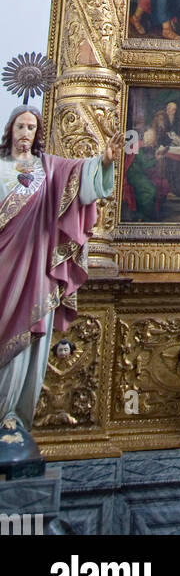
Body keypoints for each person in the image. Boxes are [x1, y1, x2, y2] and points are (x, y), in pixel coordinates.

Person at [0, 107, 119, 446]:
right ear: (10, 129)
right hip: (3, 264)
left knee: (25, 338)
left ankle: (10, 416)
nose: (26, 132)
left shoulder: (48, 169)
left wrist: (105, 161)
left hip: (35, 265)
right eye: (21, 125)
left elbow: (82, 177)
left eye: (32, 127)